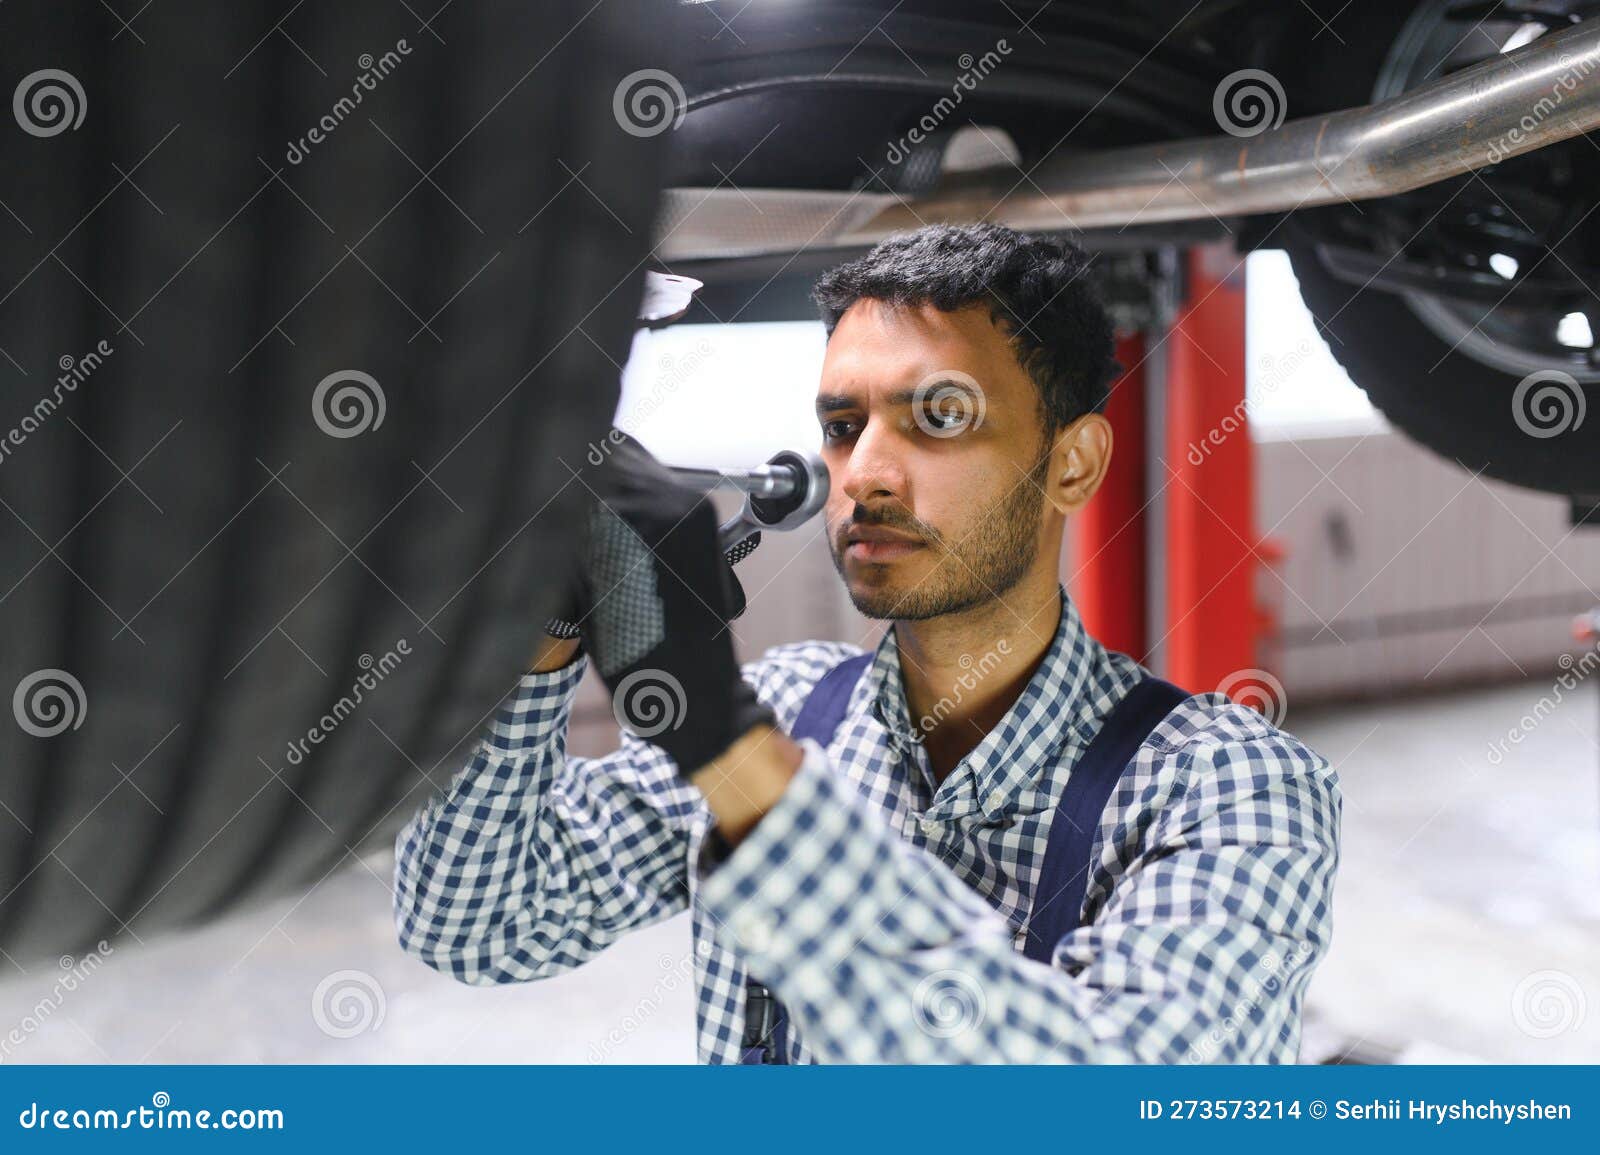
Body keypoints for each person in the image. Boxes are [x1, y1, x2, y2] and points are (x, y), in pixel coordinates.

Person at [392, 222, 1342, 1064]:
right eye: (844, 427)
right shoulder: (799, 706)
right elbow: (475, 922)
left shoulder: (1233, 786)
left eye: (939, 416)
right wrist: (548, 627)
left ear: (1073, 461)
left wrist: (729, 754)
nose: (865, 475)